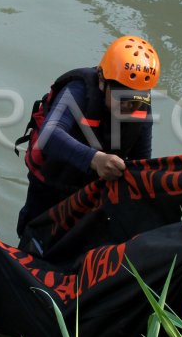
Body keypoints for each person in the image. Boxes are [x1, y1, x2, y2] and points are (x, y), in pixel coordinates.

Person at [15, 36, 159, 236]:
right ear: (102, 80)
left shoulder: (143, 110)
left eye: (136, 100)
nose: (128, 105)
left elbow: (141, 163)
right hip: (51, 182)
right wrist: (95, 159)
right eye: (121, 96)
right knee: (35, 237)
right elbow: (50, 134)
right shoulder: (79, 90)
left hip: (92, 193)